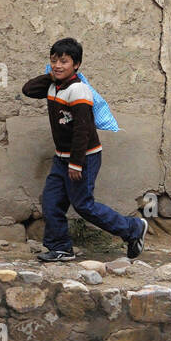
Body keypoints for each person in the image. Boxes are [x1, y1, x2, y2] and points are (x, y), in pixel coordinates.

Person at [22, 37, 148, 262]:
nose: (58, 65)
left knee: (83, 205)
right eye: (54, 61)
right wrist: (50, 76)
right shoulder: (54, 86)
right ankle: (60, 247)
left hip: (83, 157)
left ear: (77, 64)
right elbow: (28, 90)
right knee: (51, 202)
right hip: (62, 158)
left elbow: (83, 130)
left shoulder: (79, 90)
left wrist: (76, 163)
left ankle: (132, 228)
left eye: (64, 61)